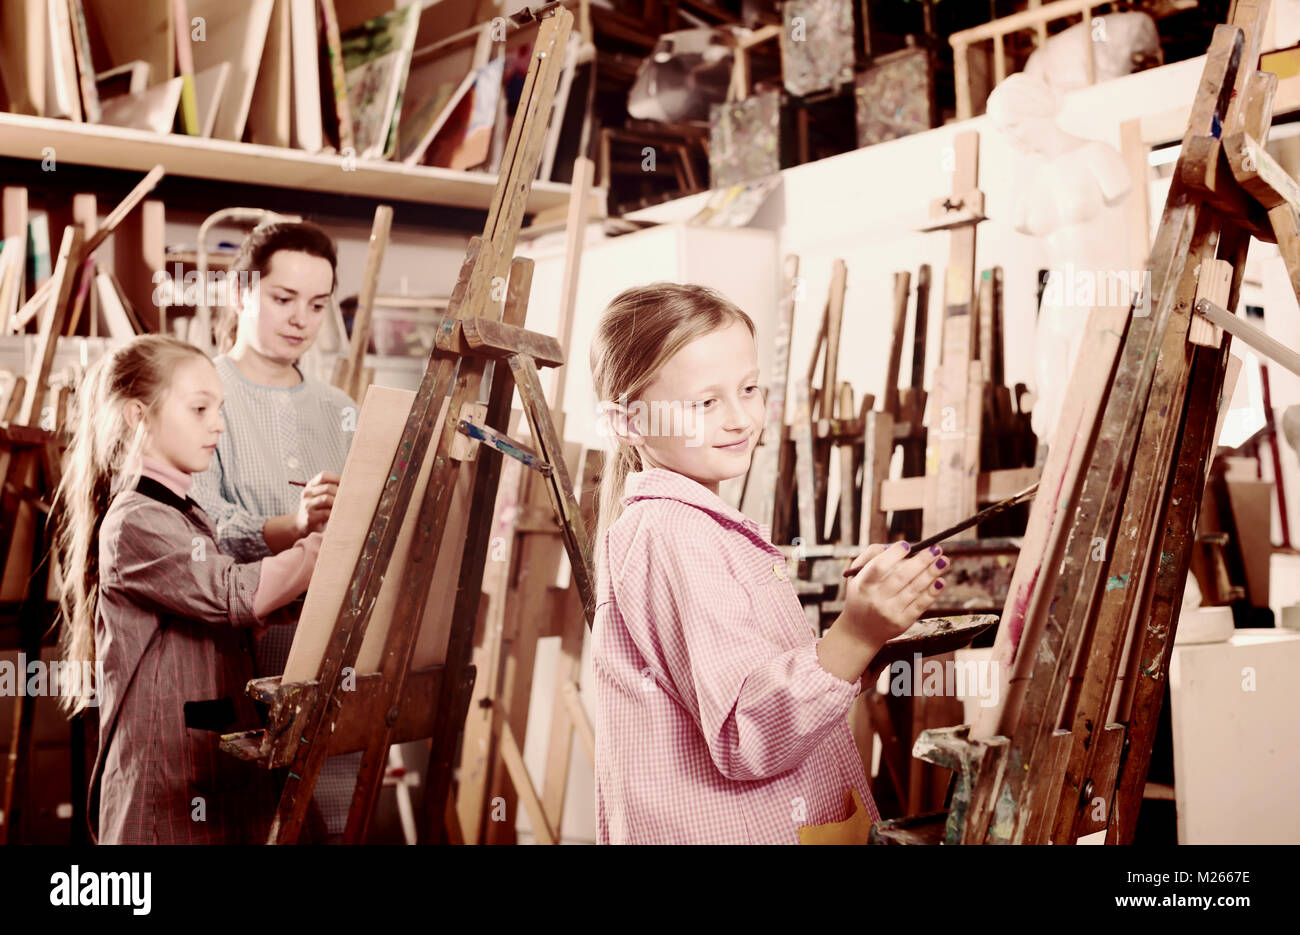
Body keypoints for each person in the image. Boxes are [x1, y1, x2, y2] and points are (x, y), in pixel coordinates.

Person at [588, 282, 951, 844]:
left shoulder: (699, 527)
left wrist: (860, 637)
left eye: (750, 388)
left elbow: (760, 680)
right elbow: (745, 733)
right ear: (628, 422)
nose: (740, 418)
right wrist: (856, 632)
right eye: (705, 403)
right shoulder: (673, 533)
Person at [53, 336, 323, 843]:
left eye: (219, 408)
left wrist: (304, 587)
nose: (217, 424)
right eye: (199, 408)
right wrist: (326, 546)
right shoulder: (138, 520)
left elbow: (227, 611)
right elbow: (228, 595)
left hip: (201, 783)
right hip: (161, 796)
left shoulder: (181, 511)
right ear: (139, 415)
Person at [191, 220, 360, 838]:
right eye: (283, 299)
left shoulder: (341, 409)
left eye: (318, 305)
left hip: (332, 658)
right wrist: (293, 526)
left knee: (335, 822)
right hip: (237, 658)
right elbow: (197, 526)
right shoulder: (202, 392)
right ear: (241, 293)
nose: (301, 320)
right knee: (250, 824)